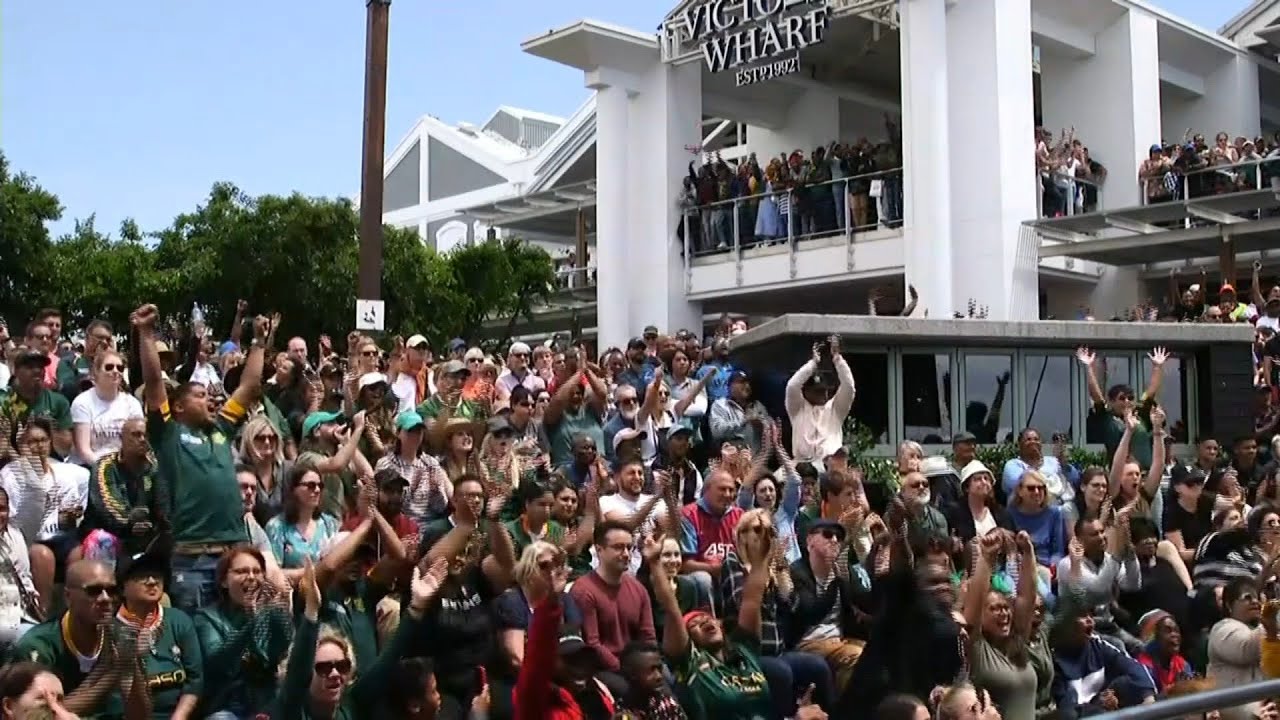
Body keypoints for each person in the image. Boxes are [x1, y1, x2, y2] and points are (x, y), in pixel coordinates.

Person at [132, 304, 268, 611]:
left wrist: (259, 342)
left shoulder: (222, 429)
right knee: (198, 645)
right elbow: (154, 383)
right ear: (178, 407)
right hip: (193, 561)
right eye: (200, 395)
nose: (211, 399)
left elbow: (249, 386)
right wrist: (146, 332)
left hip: (233, 558)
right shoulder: (168, 434)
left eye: (211, 395)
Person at [274, 557, 446, 720]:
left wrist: (417, 607)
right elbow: (297, 674)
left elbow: (389, 657)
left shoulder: (352, 704)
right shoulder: (291, 709)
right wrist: (311, 613)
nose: (335, 674)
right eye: (323, 668)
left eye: (342, 666)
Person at [193, 545, 293, 719]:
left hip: (266, 703)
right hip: (226, 706)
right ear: (224, 581)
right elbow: (220, 661)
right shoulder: (206, 618)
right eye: (242, 571)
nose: (252, 577)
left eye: (257, 571)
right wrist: (251, 620)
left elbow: (276, 653)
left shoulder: (269, 612)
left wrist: (279, 613)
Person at [112, 548, 203, 719]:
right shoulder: (109, 630)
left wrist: (179, 717)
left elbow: (194, 680)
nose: (152, 581)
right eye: (141, 576)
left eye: (157, 575)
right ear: (122, 588)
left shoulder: (179, 620)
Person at [571, 520, 657, 697]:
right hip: (603, 669)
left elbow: (648, 635)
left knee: (669, 686)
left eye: (629, 547)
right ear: (599, 550)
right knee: (629, 692)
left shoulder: (638, 589)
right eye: (618, 547)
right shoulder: (583, 591)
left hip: (638, 665)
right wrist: (627, 669)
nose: (626, 554)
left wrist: (649, 665)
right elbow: (592, 643)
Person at [963, 530, 1039, 719]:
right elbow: (975, 604)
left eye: (1005, 608)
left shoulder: (1017, 642)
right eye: (995, 609)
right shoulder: (977, 648)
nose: (1004, 613)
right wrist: (987, 558)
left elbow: (1026, 599)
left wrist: (1028, 553)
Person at [68, 349, 143, 467]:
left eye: (120, 368)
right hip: (89, 465)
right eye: (109, 367)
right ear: (96, 372)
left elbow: (137, 443)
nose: (115, 371)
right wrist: (105, 470)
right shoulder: (82, 402)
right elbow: (84, 451)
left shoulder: (132, 403)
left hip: (122, 466)